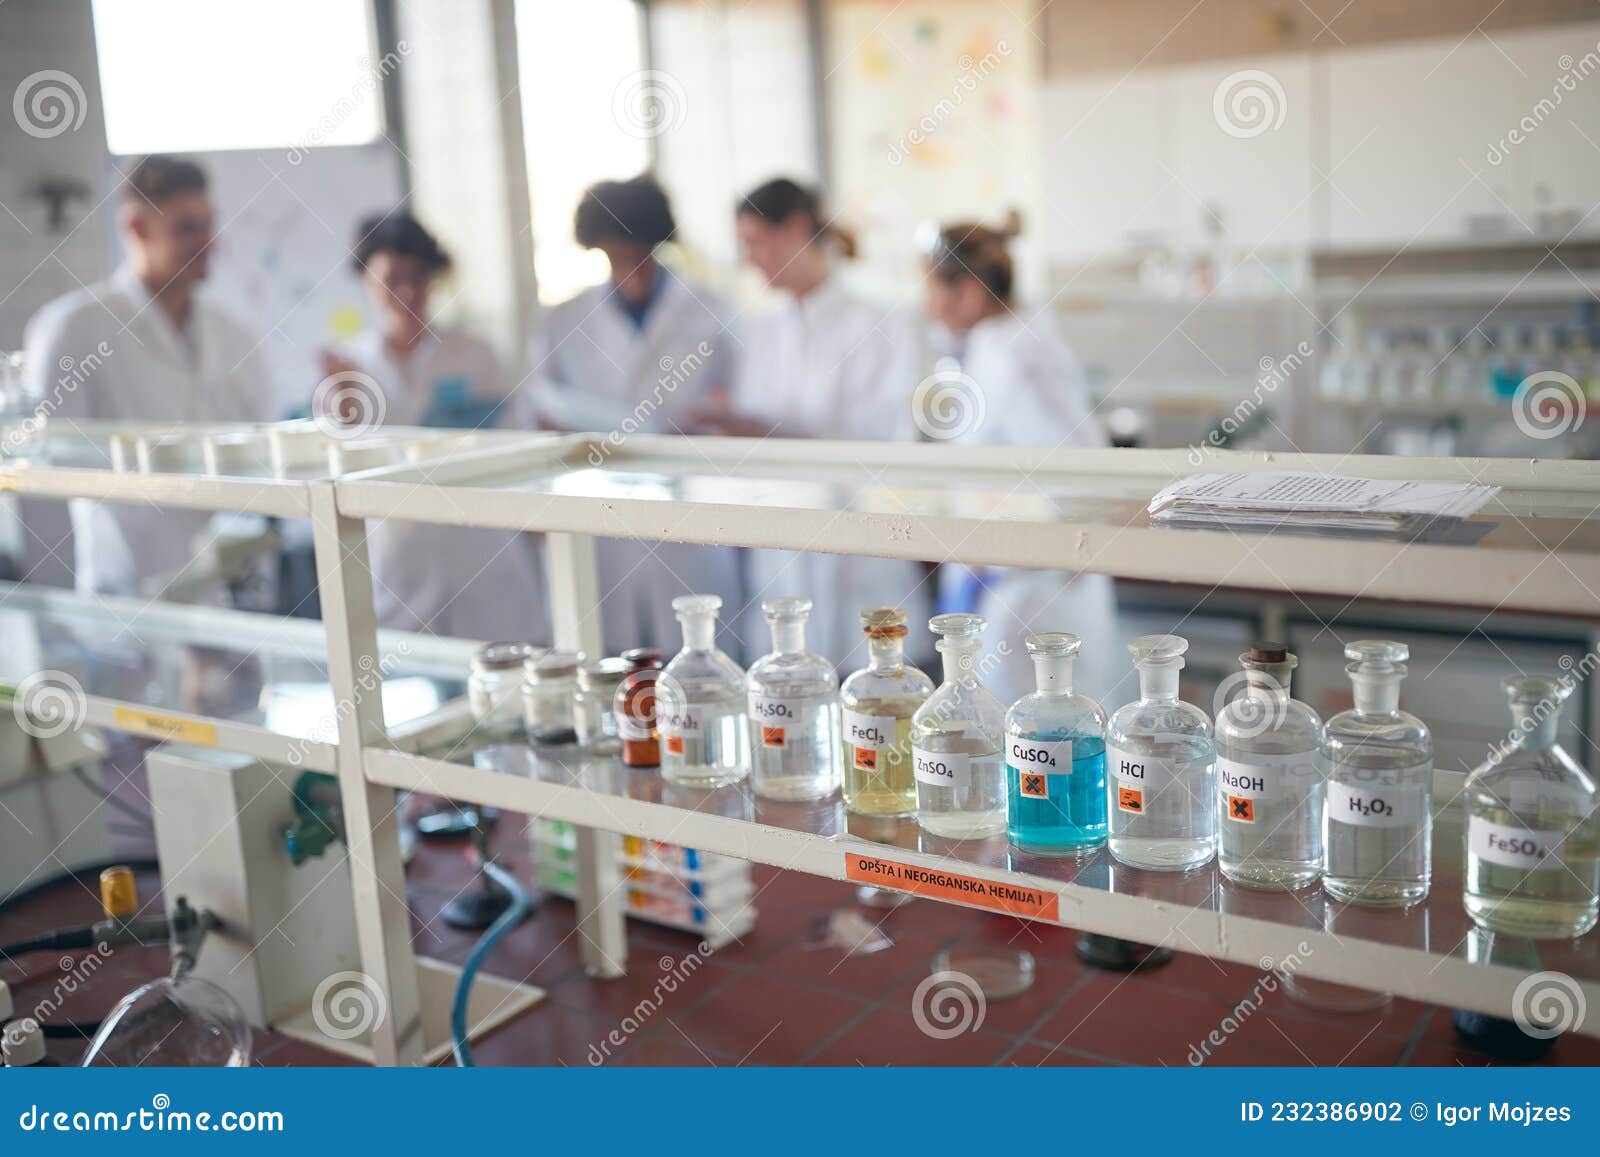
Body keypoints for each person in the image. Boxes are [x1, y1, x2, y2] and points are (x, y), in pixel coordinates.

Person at [700, 178, 930, 667]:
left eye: (756, 242)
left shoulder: (883, 320)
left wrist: (778, 432)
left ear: (797, 228)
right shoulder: (762, 327)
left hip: (861, 542)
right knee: (786, 683)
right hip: (781, 541)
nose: (751, 259)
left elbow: (889, 437)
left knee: (875, 687)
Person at [23, 156, 275, 600]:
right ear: (137, 228)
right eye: (187, 228)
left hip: (228, 596)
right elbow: (43, 479)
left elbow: (265, 453)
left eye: (208, 225)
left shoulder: (235, 334)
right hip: (126, 597)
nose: (208, 243)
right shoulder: (73, 330)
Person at [528, 175, 740, 653]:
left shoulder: (711, 310)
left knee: (699, 656)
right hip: (598, 514)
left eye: (640, 254)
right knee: (607, 657)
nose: (631, 270)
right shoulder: (563, 320)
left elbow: (739, 406)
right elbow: (537, 412)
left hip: (691, 510)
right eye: (616, 256)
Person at [922, 217, 1123, 705]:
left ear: (969, 293)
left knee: (1041, 734)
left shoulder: (1017, 357)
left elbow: (1081, 476)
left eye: (932, 290)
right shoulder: (995, 345)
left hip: (1036, 592)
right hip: (1007, 580)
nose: (926, 306)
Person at [324, 211, 546, 642]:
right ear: (365, 279)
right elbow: (336, 469)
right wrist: (344, 406)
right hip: (401, 562)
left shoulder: (475, 356)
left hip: (483, 557)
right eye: (393, 279)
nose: (407, 292)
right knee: (410, 670)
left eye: (418, 278)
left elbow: (516, 450)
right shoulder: (346, 369)